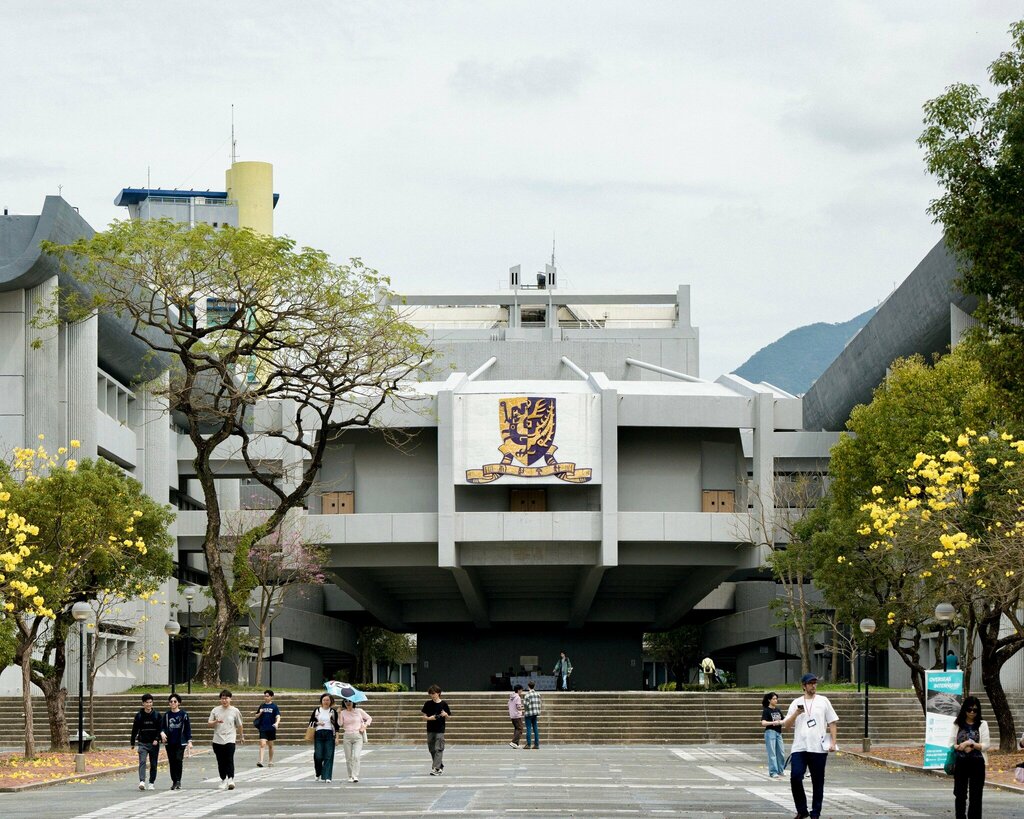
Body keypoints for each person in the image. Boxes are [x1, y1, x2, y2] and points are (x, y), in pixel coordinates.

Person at [782, 673, 838, 819]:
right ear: (803, 686)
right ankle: (802, 810)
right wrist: (796, 713)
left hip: (818, 748)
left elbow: (832, 722)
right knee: (795, 777)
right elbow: (786, 726)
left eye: (815, 683)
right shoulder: (796, 703)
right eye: (810, 683)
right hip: (799, 747)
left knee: (818, 781)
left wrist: (833, 743)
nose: (813, 686)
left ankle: (815, 813)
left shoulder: (823, 701)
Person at [948, 695, 989, 819]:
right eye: (969, 709)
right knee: (960, 794)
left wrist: (971, 744)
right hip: (961, 762)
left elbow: (986, 745)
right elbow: (950, 744)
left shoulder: (982, 724)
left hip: (977, 763)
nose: (972, 712)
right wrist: (960, 747)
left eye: (975, 710)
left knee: (976, 795)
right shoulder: (957, 724)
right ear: (964, 709)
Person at [208, 689, 244, 790]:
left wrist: (241, 736)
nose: (224, 700)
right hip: (217, 739)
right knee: (220, 761)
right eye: (222, 698)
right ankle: (223, 779)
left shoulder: (235, 711)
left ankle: (231, 779)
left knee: (229, 759)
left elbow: (239, 725)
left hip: (230, 738)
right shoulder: (215, 710)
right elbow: (209, 724)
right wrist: (216, 721)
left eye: (226, 698)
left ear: (230, 699)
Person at [160, 693, 193, 790]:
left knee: (178, 760)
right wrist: (162, 733)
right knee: (172, 761)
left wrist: (189, 740)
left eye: (175, 701)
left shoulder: (184, 714)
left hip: (180, 741)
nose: (173, 703)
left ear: (179, 703)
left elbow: (187, 729)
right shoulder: (167, 715)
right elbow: (162, 727)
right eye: (171, 701)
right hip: (170, 742)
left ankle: (178, 780)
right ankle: (174, 781)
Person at [130, 693, 161, 791]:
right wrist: (132, 742)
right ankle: (142, 781)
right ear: (143, 703)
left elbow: (160, 729)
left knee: (153, 764)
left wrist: (157, 739)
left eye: (150, 702)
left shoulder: (157, 715)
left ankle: (151, 782)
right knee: (142, 761)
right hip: (142, 742)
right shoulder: (139, 716)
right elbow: (134, 729)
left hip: (154, 743)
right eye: (147, 702)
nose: (149, 704)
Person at [309, 693, 340, 783]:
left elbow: (336, 726)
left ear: (331, 701)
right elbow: (310, 722)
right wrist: (318, 723)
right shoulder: (317, 711)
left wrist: (337, 738)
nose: (326, 702)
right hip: (319, 733)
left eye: (328, 700)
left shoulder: (332, 712)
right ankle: (318, 772)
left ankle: (327, 776)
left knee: (329, 755)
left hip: (329, 734)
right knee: (318, 755)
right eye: (324, 700)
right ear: (321, 701)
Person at [339, 698, 372, 783]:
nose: (348, 703)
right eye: (346, 701)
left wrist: (364, 726)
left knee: (356, 756)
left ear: (353, 702)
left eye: (350, 701)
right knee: (348, 758)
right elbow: (340, 724)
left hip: (358, 735)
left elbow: (369, 718)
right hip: (347, 735)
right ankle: (350, 776)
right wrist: (339, 713)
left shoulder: (359, 711)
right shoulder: (342, 712)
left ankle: (355, 775)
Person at [421, 684, 452, 775]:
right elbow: (423, 716)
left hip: (440, 729)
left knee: (438, 748)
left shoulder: (444, 704)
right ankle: (439, 765)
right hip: (430, 728)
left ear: (439, 693)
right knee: (432, 749)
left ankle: (436, 768)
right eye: (431, 694)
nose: (432, 695)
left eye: (434, 693)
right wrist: (429, 718)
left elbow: (448, 716)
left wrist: (445, 715)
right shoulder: (428, 703)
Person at [760, 691, 785, 779]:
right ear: (769, 700)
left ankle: (780, 770)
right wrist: (773, 723)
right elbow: (763, 723)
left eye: (776, 699)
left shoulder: (778, 710)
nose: (775, 700)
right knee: (772, 753)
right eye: (774, 699)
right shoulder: (766, 710)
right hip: (770, 732)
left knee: (781, 752)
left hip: (778, 732)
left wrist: (781, 722)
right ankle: (773, 771)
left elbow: (783, 720)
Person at [254, 689, 281, 768]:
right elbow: (256, 716)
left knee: (270, 745)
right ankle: (261, 761)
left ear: (271, 697)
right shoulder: (262, 705)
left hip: (271, 728)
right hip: (263, 728)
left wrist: (277, 723)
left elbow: (278, 716)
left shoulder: (274, 706)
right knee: (262, 744)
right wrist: (260, 712)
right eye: (265, 696)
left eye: (267, 696)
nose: (266, 697)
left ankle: (270, 760)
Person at [523, 680, 541, 749]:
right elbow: (539, 704)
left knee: (528, 729)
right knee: (535, 728)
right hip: (535, 713)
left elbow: (525, 705)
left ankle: (528, 744)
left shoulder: (527, 695)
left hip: (529, 713)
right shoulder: (538, 694)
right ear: (534, 686)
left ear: (528, 686)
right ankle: (536, 744)